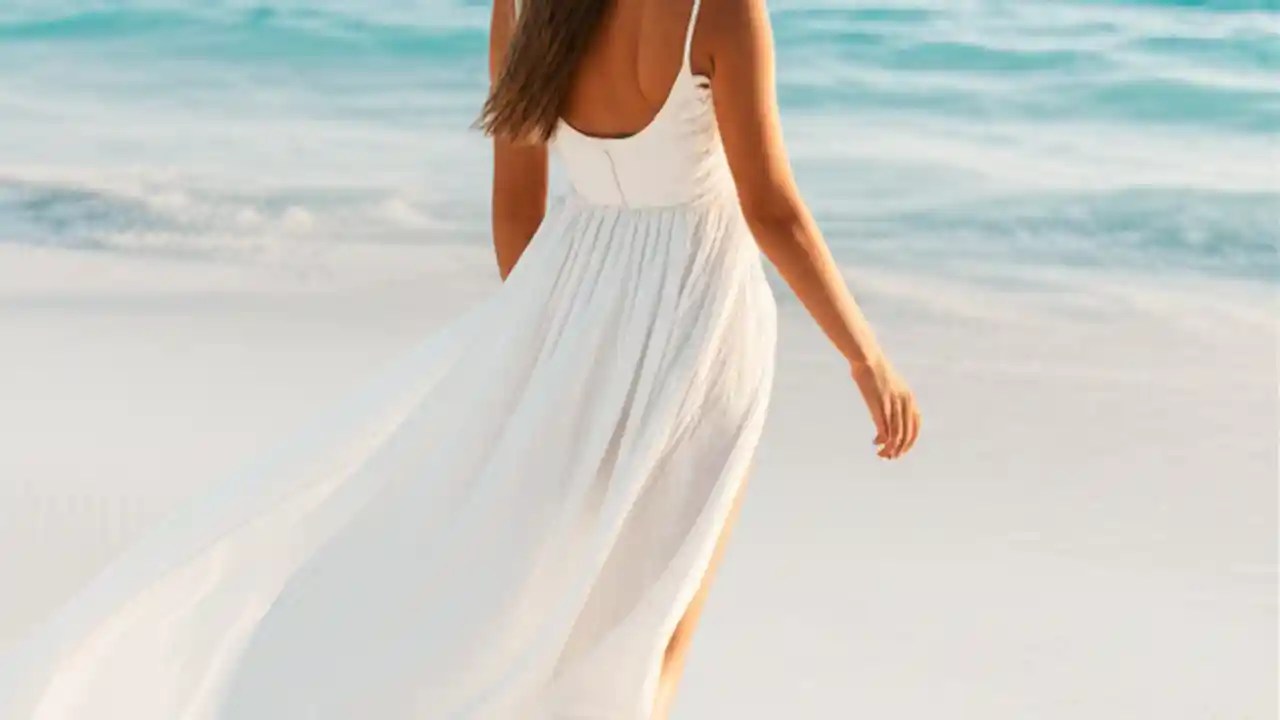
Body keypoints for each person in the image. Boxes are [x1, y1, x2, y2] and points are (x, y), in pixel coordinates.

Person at [0, 0, 918, 717]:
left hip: (567, 309)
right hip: (699, 324)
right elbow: (775, 212)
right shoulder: (716, 9)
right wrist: (866, 358)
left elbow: (515, 210)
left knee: (547, 600)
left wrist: (549, 346)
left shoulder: (525, 7)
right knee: (654, 627)